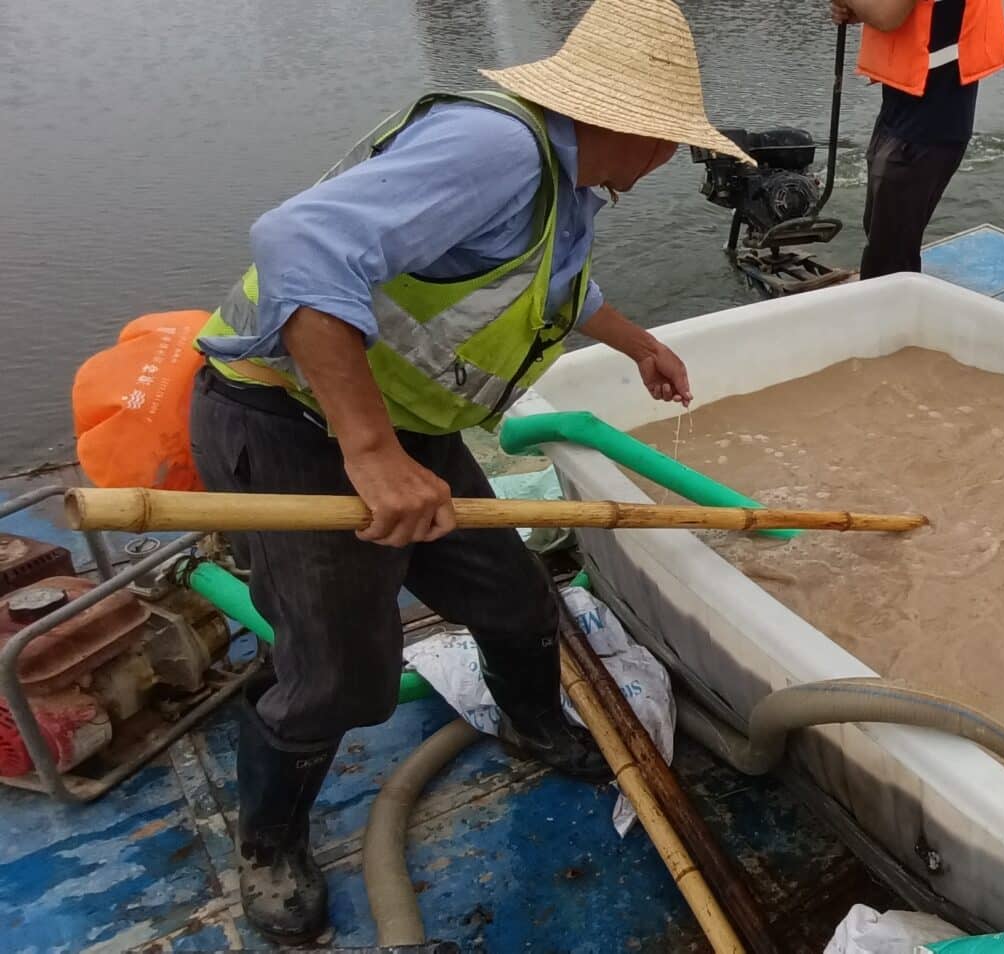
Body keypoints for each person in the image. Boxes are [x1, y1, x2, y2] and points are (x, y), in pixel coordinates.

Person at [187, 0, 748, 943]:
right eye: (669, 142)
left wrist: (636, 341)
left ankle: (531, 723)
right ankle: (268, 845)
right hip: (297, 419)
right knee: (339, 672)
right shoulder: (499, 149)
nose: (666, 162)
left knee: (516, 600)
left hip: (404, 422)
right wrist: (371, 453)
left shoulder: (565, 182)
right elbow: (296, 242)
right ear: (626, 123)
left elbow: (556, 286)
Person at [832, 0, 1004, 277]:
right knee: (881, 233)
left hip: (930, 124)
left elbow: (888, 16)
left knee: (890, 257)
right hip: (902, 111)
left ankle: (896, 301)